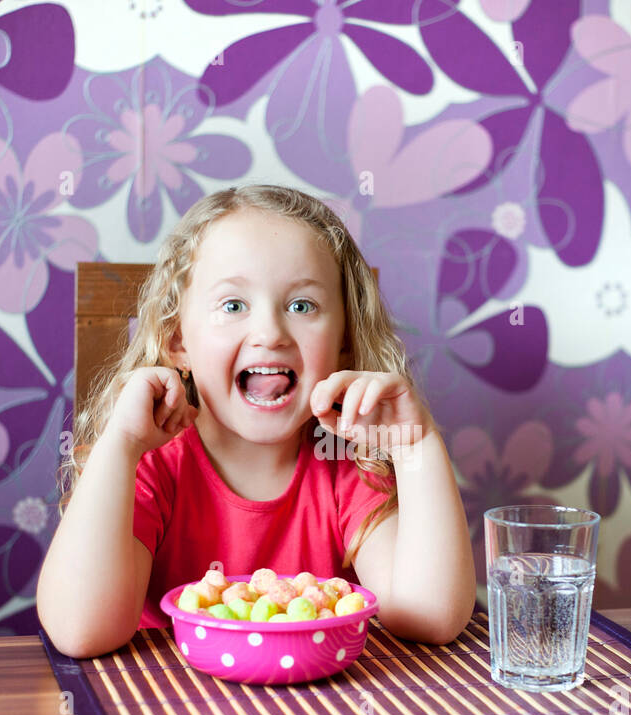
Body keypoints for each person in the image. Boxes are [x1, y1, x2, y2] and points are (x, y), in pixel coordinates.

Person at [37, 184, 474, 657]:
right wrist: (119, 446)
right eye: (233, 305)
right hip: (170, 712)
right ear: (178, 339)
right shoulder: (152, 465)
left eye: (302, 305)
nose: (269, 332)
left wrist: (416, 446)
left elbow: (430, 617)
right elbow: (79, 630)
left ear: (344, 342)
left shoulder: (350, 463)